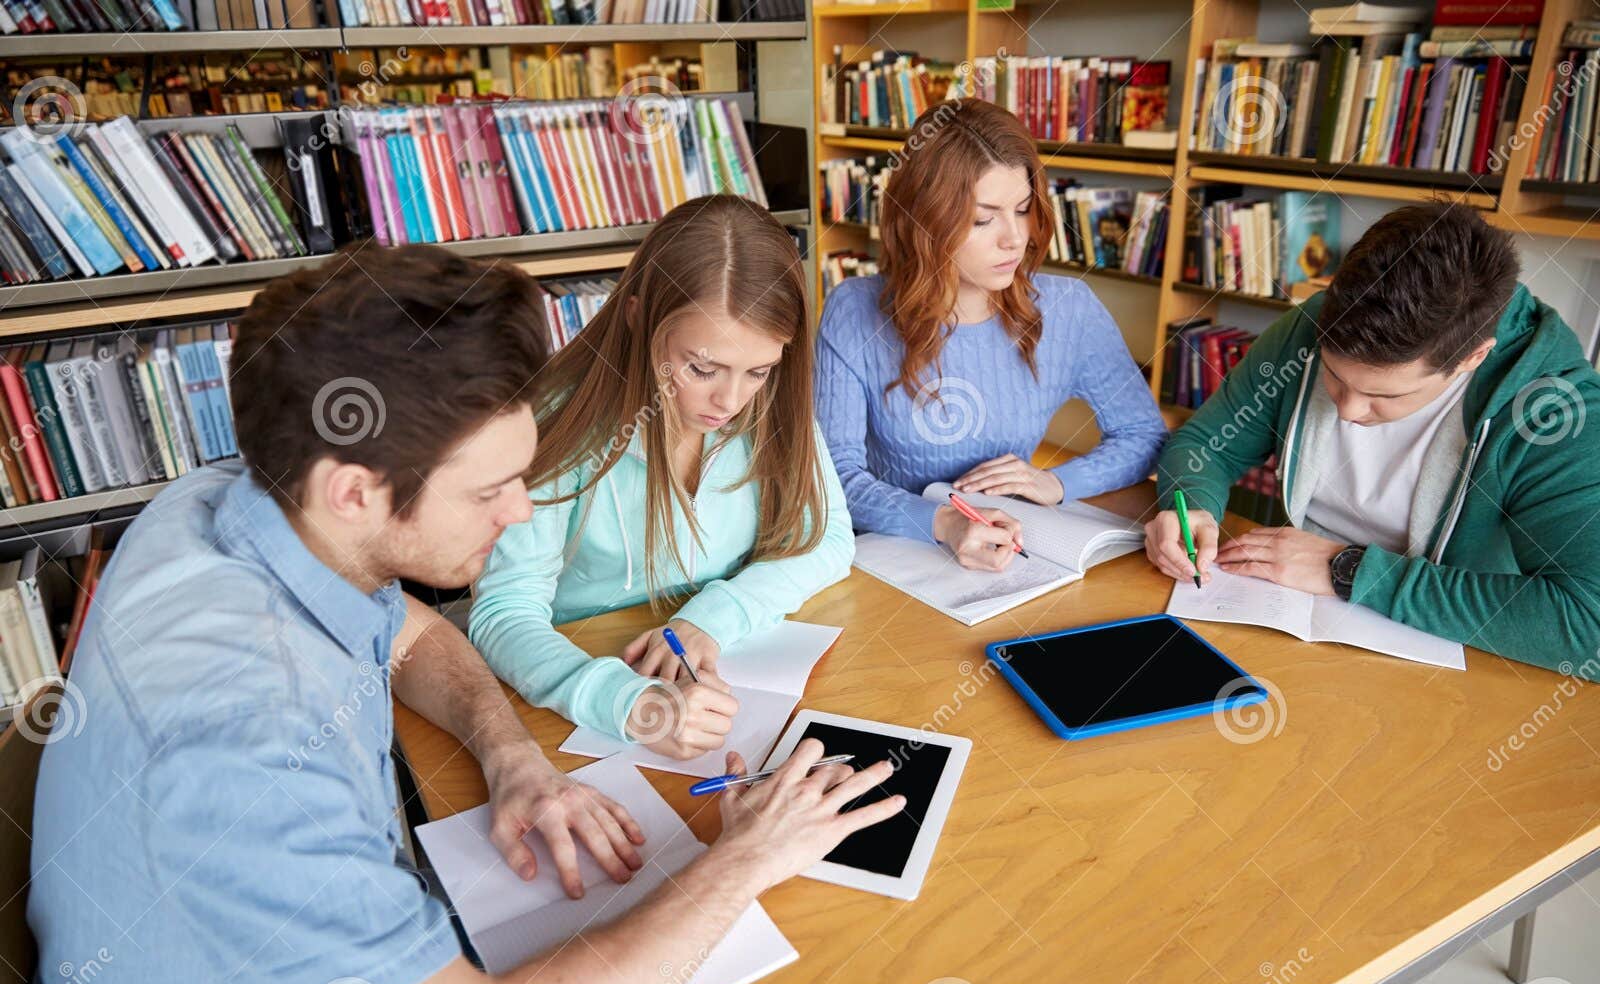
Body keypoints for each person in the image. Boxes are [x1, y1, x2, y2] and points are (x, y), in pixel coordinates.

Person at [24, 244, 903, 984]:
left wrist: (510, 753)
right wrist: (745, 860)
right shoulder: (248, 752)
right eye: (489, 491)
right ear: (354, 491)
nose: (521, 513)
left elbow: (407, 633)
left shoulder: (230, 502)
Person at [469, 195, 854, 761]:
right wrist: (624, 701)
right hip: (578, 688)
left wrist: (714, 617)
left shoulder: (771, 402)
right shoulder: (555, 422)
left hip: (726, 663)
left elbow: (828, 537)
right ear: (637, 316)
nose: (730, 401)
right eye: (702, 367)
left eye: (758, 370)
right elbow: (504, 613)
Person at [1146, 200, 1600, 672]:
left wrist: (1350, 571)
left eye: (1384, 394)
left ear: (1473, 358)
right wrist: (1192, 504)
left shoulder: (1555, 410)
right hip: (1287, 618)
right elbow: (1205, 446)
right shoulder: (1311, 325)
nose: (1348, 410)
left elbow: (1590, 629)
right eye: (1333, 374)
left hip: (1446, 658)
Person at [815, 99, 1167, 571]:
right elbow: (834, 475)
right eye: (983, 219)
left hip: (1009, 550)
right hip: (890, 557)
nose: (1014, 238)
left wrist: (1058, 483)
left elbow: (1143, 434)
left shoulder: (1069, 309)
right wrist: (943, 521)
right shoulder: (853, 310)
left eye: (1022, 210)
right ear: (925, 222)